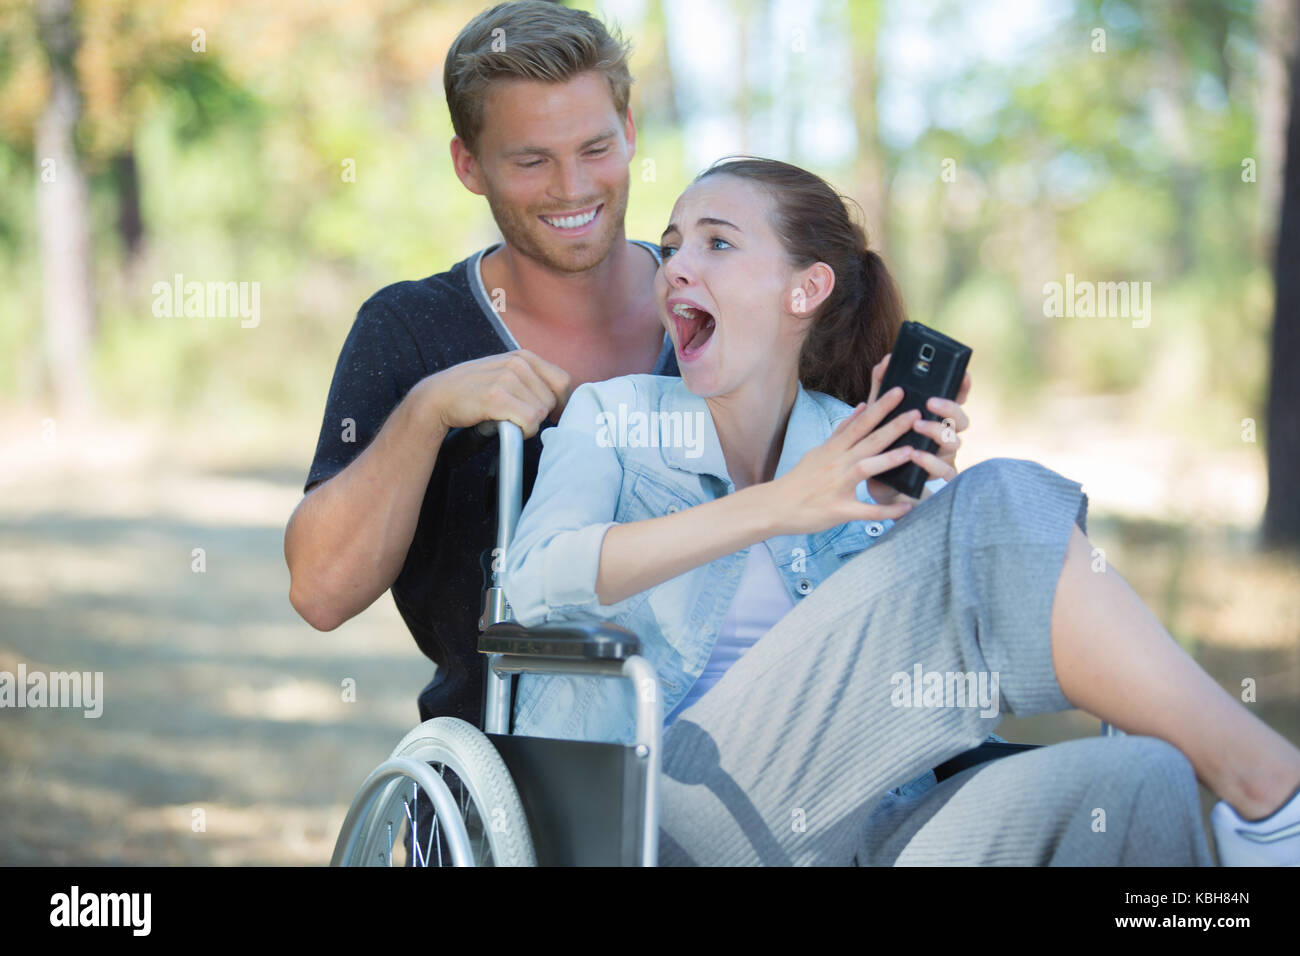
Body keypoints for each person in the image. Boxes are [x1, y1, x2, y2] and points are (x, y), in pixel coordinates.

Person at [503, 156, 1300, 866]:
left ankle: (1250, 809)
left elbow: (940, 635)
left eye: (715, 243)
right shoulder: (613, 415)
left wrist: (905, 519)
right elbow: (531, 583)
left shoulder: (845, 441)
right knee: (1000, 502)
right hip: (670, 817)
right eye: (672, 245)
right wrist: (777, 508)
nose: (674, 265)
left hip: (863, 822)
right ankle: (1270, 793)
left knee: (1140, 776)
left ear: (805, 289)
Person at [284, 1, 677, 731]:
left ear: (629, 132)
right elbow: (321, 590)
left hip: (727, 737)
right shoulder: (412, 327)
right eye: (532, 160)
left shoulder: (715, 299)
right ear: (469, 165)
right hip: (507, 762)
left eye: (594, 148)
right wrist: (428, 411)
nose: (572, 187)